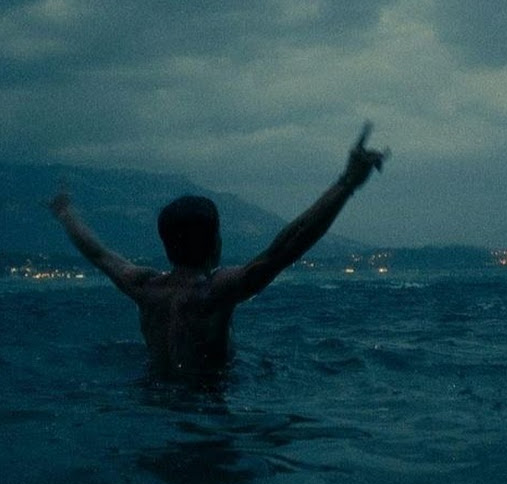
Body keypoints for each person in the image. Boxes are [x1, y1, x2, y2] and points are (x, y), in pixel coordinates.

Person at [49, 123, 388, 377]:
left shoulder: (144, 288)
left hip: (155, 407)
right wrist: (346, 184)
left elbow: (99, 254)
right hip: (207, 417)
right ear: (215, 244)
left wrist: (65, 213)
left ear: (166, 245)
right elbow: (284, 249)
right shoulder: (211, 294)